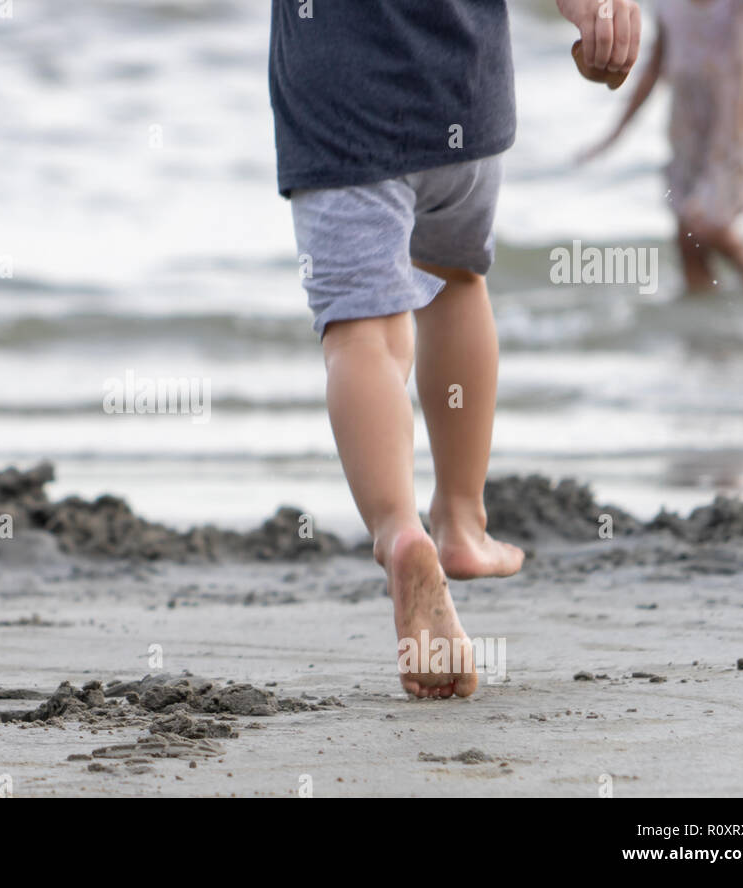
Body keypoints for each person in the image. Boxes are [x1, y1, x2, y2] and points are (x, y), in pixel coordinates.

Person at [269, 0, 641, 698]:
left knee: (364, 329)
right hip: (465, 96)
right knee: (458, 284)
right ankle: (464, 520)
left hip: (342, 104)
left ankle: (398, 533)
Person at [581, 0, 743, 292]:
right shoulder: (668, 6)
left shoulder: (742, 5)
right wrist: (615, 133)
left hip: (736, 138)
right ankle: (706, 326)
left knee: (703, 224)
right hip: (687, 139)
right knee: (686, 241)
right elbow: (652, 71)